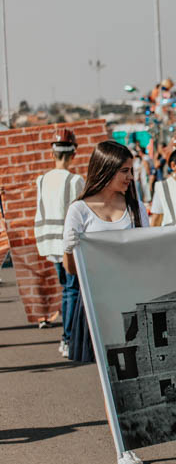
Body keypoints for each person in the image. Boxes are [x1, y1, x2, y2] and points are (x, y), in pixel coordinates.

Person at [62, 140, 148, 464]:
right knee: (112, 376)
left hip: (132, 299)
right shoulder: (79, 210)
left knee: (132, 374)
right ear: (106, 170)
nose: (130, 177)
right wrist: (71, 249)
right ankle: (123, 449)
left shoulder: (132, 205)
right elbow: (72, 270)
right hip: (99, 302)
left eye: (131, 170)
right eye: (124, 171)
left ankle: (136, 437)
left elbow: (145, 249)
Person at [34, 128, 85, 349]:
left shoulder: (41, 180)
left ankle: (66, 338)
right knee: (72, 290)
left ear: (52, 153)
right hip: (69, 244)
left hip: (50, 242)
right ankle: (68, 339)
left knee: (67, 289)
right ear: (73, 154)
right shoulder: (75, 181)